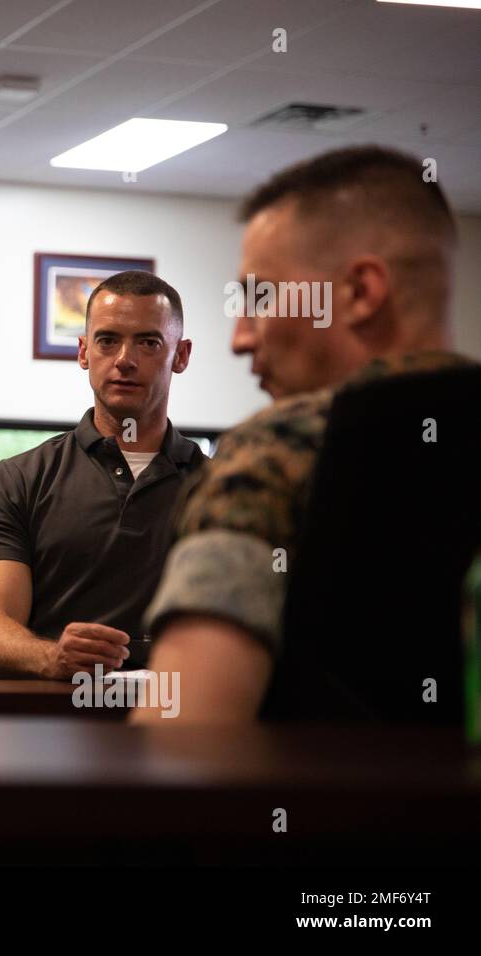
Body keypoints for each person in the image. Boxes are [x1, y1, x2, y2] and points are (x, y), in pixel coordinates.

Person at [134, 145, 478, 724]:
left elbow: (182, 740)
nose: (240, 339)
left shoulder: (275, 450)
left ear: (361, 292)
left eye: (260, 298)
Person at [0, 271, 205, 678]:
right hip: (50, 719)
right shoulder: (15, 481)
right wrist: (52, 657)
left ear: (180, 356)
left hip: (181, 713)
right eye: (107, 340)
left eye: (148, 342)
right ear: (83, 352)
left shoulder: (223, 491)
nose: (125, 360)